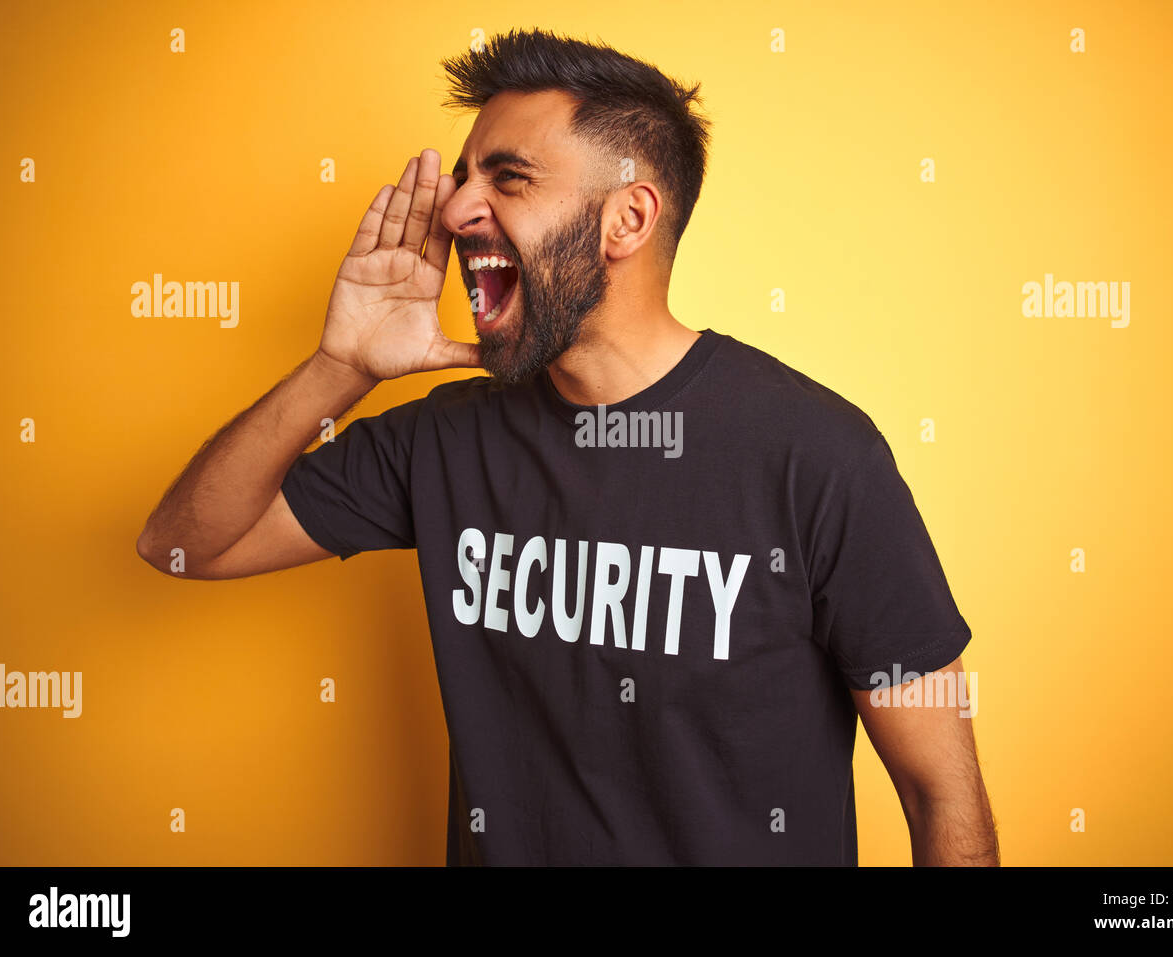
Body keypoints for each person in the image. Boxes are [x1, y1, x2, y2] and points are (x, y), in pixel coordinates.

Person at [137, 28, 999, 866]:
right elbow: (182, 543)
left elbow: (941, 794)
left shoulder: (819, 457)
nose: (456, 206)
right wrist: (339, 366)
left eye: (508, 178)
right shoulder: (444, 438)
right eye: (464, 176)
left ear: (627, 216)